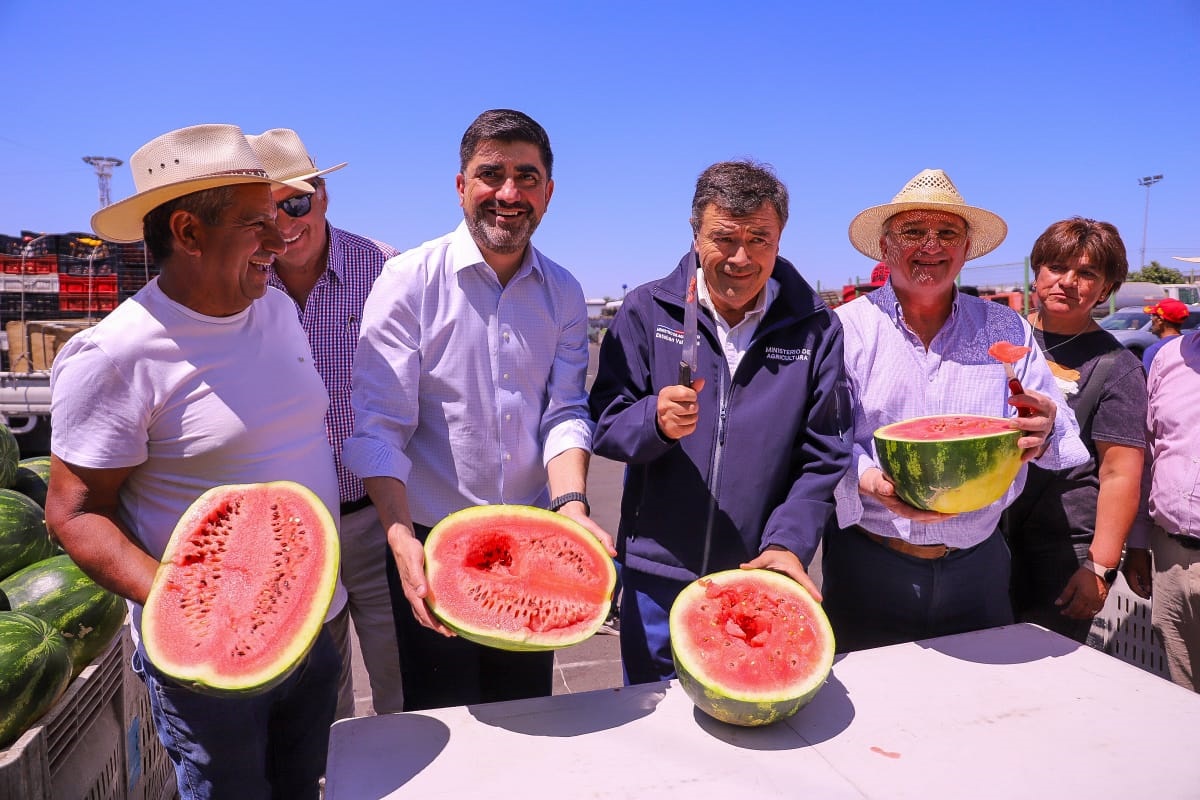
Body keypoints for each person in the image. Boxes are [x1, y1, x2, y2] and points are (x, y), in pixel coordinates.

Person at [44, 124, 342, 799]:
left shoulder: (275, 311)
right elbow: (75, 512)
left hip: (314, 627)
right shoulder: (115, 355)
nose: (279, 240)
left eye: (277, 217)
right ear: (187, 231)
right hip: (211, 665)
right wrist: (187, 604)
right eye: (255, 224)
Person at [342, 109, 614, 711]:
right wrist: (397, 534)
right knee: (447, 725)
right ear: (462, 185)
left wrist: (571, 504)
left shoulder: (565, 291)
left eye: (527, 176)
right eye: (491, 174)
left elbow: (565, 410)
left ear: (548, 191)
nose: (509, 193)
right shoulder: (408, 281)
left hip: (535, 545)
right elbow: (380, 426)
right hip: (431, 540)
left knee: (527, 713)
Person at [588, 160, 853, 684]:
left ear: (780, 237)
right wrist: (654, 421)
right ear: (695, 233)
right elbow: (604, 421)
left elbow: (824, 455)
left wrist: (787, 545)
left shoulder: (816, 327)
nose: (741, 257)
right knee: (655, 734)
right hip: (655, 580)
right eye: (724, 238)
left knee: (751, 729)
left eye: (760, 238)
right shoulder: (647, 311)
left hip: (757, 574)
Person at [823, 168, 1089, 653]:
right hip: (870, 561)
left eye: (947, 233)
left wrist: (1045, 428)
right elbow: (820, 438)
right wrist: (872, 482)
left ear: (966, 251)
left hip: (979, 565)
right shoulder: (846, 330)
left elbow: (1062, 439)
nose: (931, 245)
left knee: (980, 711)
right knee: (875, 714)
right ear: (885, 247)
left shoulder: (1004, 327)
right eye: (913, 232)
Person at [247, 128, 403, 718]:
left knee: (402, 687)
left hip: (376, 515)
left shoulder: (386, 269)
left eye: (295, 202)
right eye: (266, 209)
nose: (283, 223)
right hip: (287, 529)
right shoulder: (241, 284)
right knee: (316, 705)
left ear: (323, 197)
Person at [1003, 218, 1147, 642]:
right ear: (1037, 272)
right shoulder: (1000, 338)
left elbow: (1119, 473)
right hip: (986, 535)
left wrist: (1099, 567)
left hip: (1063, 546)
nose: (1068, 282)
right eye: (1056, 267)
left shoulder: (1117, 367)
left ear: (1105, 289)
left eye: (1087, 274)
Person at [1124, 334, 1200, 692]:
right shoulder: (1169, 357)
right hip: (1169, 559)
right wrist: (1138, 543)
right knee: (1185, 699)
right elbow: (1150, 453)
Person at [1140, 298, 1189, 373]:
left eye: (1152, 316)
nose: (1151, 319)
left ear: (1160, 320)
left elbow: (1147, 383)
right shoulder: (1190, 346)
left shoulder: (1155, 351)